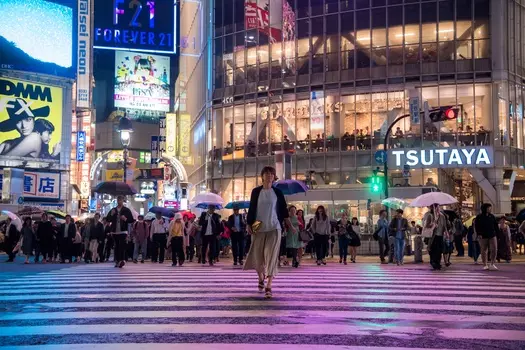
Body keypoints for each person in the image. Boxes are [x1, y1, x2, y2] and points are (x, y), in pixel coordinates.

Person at [245, 166, 293, 299]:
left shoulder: (277, 192)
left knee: (271, 257)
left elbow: (283, 211)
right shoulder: (256, 191)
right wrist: (249, 224)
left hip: (274, 226)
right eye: (266, 173)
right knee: (257, 255)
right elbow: (252, 208)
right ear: (262, 176)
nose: (269, 175)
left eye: (271, 174)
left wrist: (291, 227)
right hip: (258, 225)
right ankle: (261, 278)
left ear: (274, 177)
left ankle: (269, 285)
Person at [105, 195, 135, 268]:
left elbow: (131, 220)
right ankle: (117, 261)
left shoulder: (126, 210)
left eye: (121, 200)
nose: (119, 201)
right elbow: (108, 220)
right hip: (115, 231)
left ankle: (122, 260)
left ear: (123, 201)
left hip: (123, 231)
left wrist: (125, 219)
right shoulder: (113, 210)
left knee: (122, 246)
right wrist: (111, 215)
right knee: (116, 246)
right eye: (118, 200)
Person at [474, 203, 499, 271]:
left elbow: (496, 226)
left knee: (494, 249)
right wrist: (479, 233)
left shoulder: (492, 216)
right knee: (484, 250)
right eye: (489, 208)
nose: (490, 209)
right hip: (483, 236)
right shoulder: (479, 217)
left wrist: (497, 234)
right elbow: (477, 226)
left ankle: (492, 263)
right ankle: (485, 264)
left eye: (490, 208)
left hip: (492, 235)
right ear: (485, 208)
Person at [423, 204, 448, 270]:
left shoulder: (442, 216)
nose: (436, 208)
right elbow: (426, 226)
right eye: (433, 207)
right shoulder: (430, 215)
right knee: (432, 250)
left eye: (437, 207)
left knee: (439, 251)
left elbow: (445, 225)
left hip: (440, 236)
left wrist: (446, 232)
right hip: (432, 236)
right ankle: (433, 262)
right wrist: (433, 224)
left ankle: (437, 263)